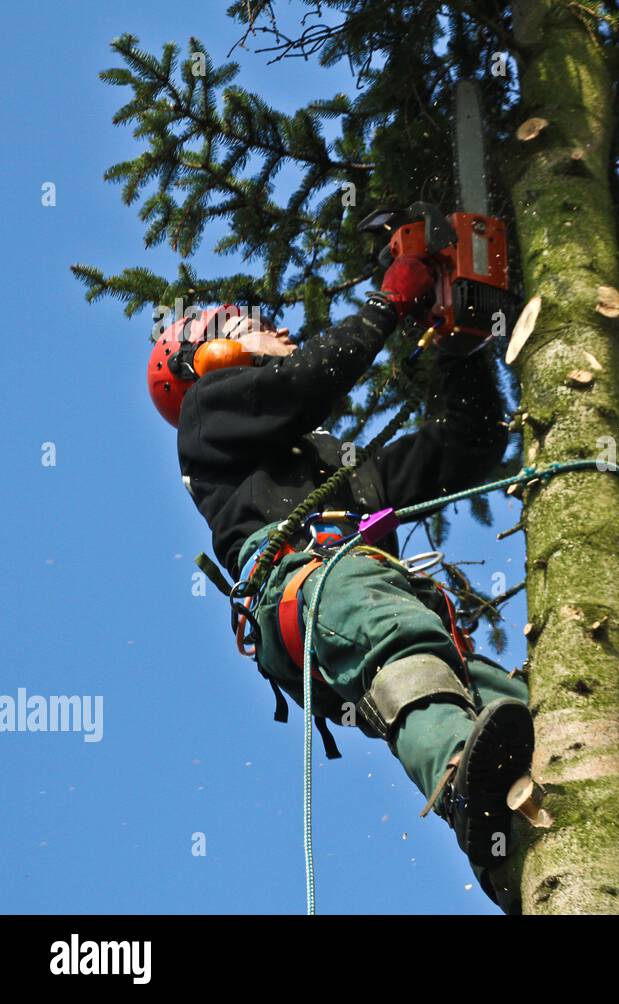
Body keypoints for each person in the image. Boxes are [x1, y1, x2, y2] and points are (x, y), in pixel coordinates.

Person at [146, 255, 533, 910]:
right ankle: (458, 775)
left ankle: (519, 859)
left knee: (510, 698)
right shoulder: (209, 418)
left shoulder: (336, 470)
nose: (279, 336)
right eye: (252, 328)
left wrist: (458, 345)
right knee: (392, 627)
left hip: (360, 592)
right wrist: (388, 306)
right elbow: (303, 385)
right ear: (204, 355)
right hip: (314, 589)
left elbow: (467, 444)